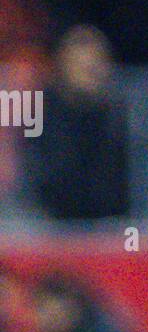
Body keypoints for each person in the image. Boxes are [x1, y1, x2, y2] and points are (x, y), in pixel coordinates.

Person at [25, 26, 129, 222]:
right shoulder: (41, 111)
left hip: (109, 226)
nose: (93, 71)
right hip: (50, 226)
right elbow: (36, 176)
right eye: (84, 66)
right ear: (62, 63)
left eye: (98, 63)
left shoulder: (121, 114)